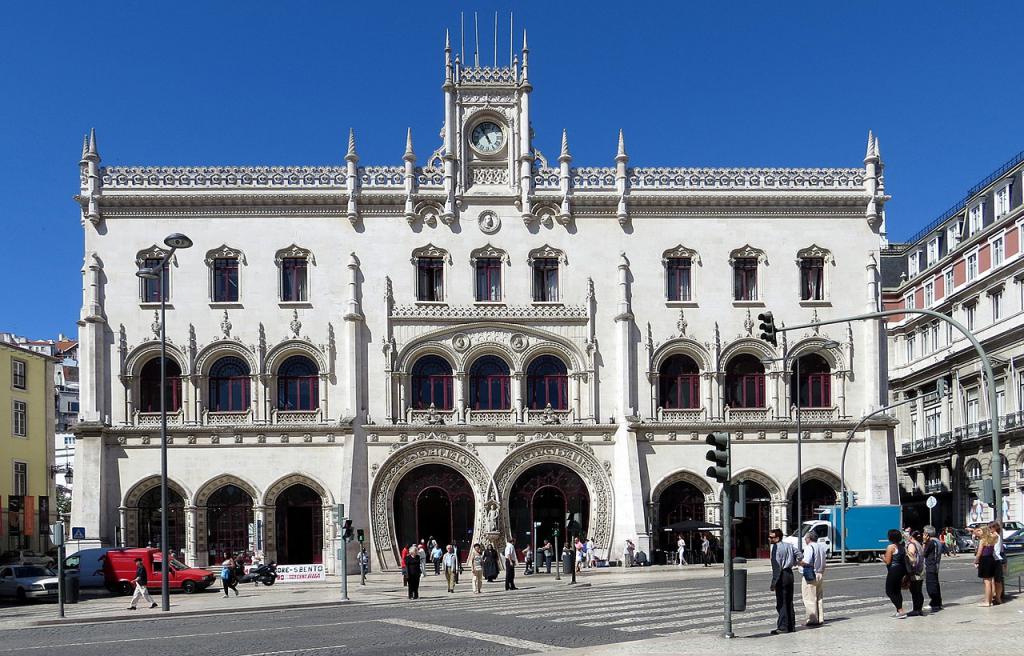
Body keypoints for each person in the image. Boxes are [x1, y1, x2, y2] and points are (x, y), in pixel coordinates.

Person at [768, 528, 797, 634]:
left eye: (771, 537)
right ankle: (791, 626)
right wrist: (793, 562)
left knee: (782, 602)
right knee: (789, 601)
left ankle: (783, 626)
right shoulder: (789, 545)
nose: (769, 539)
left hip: (782, 575)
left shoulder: (775, 548)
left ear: (777, 538)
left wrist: (774, 583)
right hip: (789, 573)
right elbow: (799, 554)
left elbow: (777, 567)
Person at [798, 532, 827, 626]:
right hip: (819, 573)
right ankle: (820, 617)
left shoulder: (809, 547)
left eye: (806, 538)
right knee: (819, 597)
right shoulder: (821, 547)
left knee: (809, 597)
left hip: (811, 575)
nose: (805, 540)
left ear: (809, 538)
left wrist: (798, 562)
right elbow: (824, 563)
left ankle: (812, 619)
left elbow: (806, 561)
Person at [882, 528, 907, 619]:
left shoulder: (891, 547)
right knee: (897, 590)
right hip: (901, 570)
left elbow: (888, 561)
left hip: (893, 570)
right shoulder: (902, 547)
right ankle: (898, 611)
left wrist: (882, 557)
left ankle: (900, 610)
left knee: (889, 591)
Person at [974, 526, 998, 607]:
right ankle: (990, 600)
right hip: (991, 559)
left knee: (987, 582)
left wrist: (976, 561)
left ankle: (987, 601)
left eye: (980, 530)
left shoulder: (982, 540)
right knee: (990, 581)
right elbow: (995, 535)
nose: (979, 532)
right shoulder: (992, 539)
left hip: (984, 560)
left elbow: (979, 553)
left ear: (984, 531)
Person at [922, 525, 943, 611]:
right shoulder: (937, 541)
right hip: (935, 565)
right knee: (935, 585)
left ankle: (935, 603)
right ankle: (937, 602)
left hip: (931, 566)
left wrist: (924, 542)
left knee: (931, 586)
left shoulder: (931, 542)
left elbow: (923, 553)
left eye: (924, 533)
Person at [905, 530, 925, 616]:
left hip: (914, 571)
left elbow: (911, 556)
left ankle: (916, 609)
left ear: (911, 536)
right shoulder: (919, 544)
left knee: (915, 591)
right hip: (921, 570)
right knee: (919, 591)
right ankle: (919, 609)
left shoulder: (911, 544)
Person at [989, 521, 1005, 603]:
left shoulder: (995, 535)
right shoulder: (996, 535)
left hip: (995, 558)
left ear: (995, 528)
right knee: (997, 580)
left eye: (990, 527)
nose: (989, 529)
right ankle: (997, 597)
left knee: (995, 581)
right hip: (997, 559)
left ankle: (996, 597)